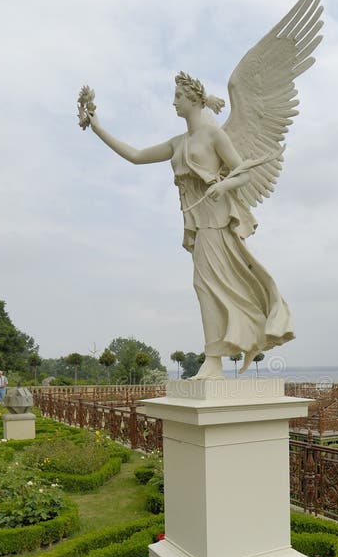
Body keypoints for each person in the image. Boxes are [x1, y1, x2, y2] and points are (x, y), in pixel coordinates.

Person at [87, 73, 294, 379]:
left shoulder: (213, 135)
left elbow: (244, 174)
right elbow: (136, 156)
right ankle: (215, 358)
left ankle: (214, 360)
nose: (174, 102)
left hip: (216, 220)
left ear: (194, 99)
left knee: (207, 285)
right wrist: (98, 128)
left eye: (178, 97)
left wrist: (223, 186)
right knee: (206, 286)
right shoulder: (178, 143)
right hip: (199, 223)